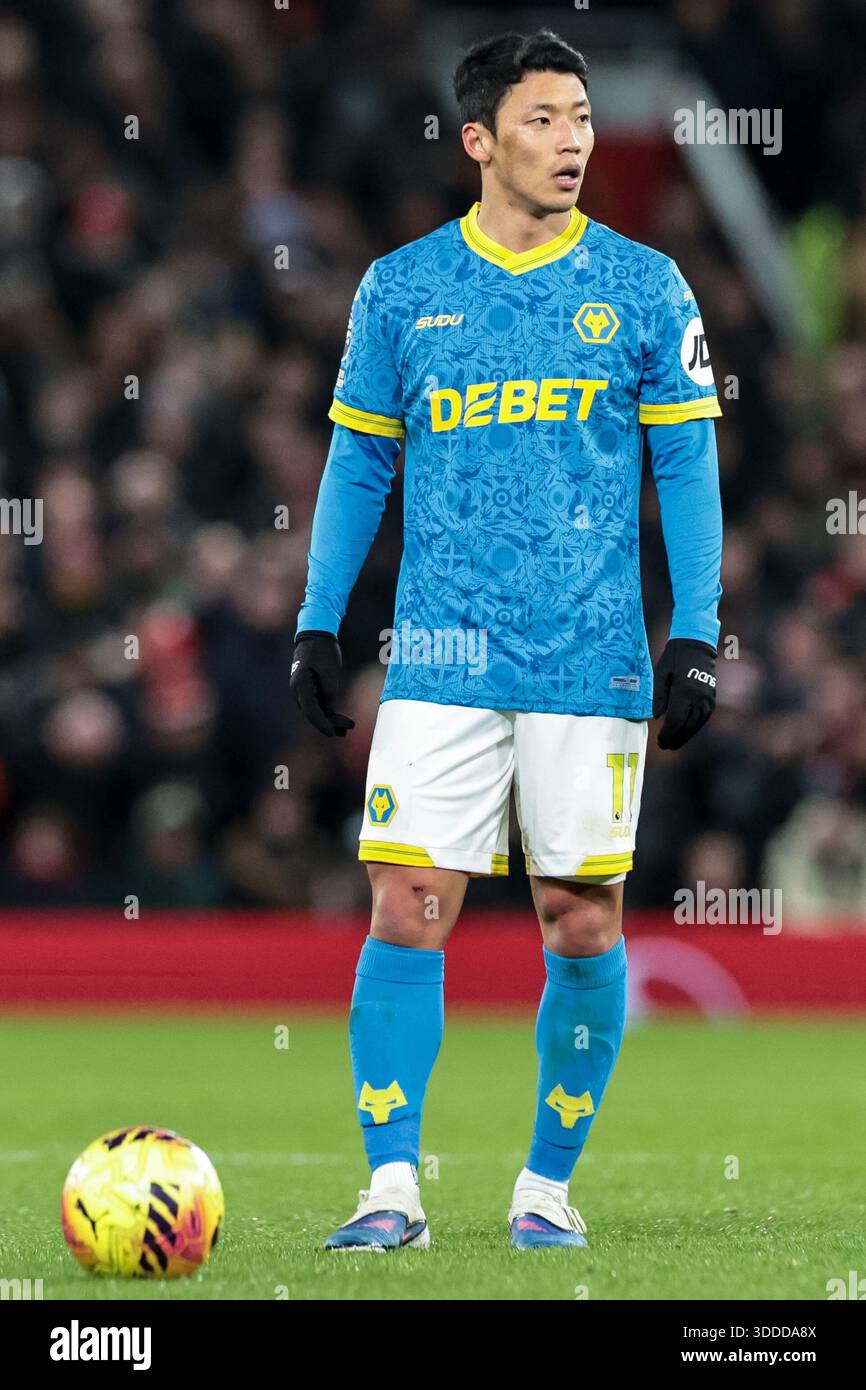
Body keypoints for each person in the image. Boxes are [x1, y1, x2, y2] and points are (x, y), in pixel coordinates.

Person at [291, 28, 723, 1250]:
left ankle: (545, 1189)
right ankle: (390, 1190)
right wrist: (320, 621)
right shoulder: (402, 288)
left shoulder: (644, 287)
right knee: (406, 903)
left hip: (590, 656)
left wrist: (696, 630)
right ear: (478, 139)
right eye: (542, 119)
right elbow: (357, 460)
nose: (572, 140)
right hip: (437, 654)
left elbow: (685, 462)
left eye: (580, 117)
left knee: (579, 921)